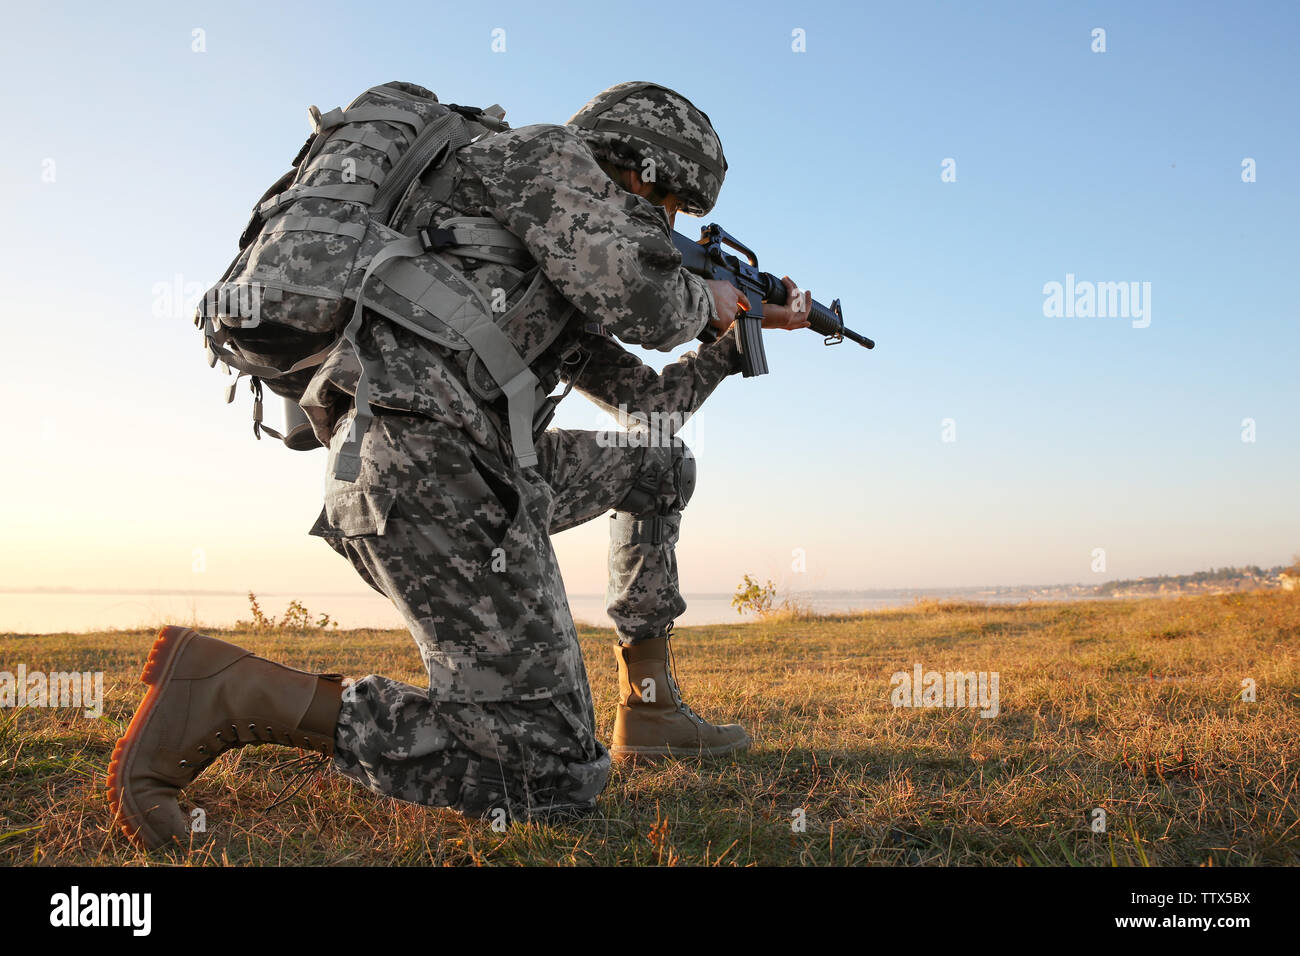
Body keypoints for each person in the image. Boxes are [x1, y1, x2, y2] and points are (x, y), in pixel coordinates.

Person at [108, 81, 809, 850]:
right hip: (424, 464)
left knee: (658, 464)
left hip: (478, 460)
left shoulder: (542, 258)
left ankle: (648, 707)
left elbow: (650, 405)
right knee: (552, 776)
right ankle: (235, 694)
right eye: (668, 205)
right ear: (639, 166)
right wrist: (715, 299)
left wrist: (732, 341)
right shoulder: (543, 155)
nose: (665, 226)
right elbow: (648, 304)